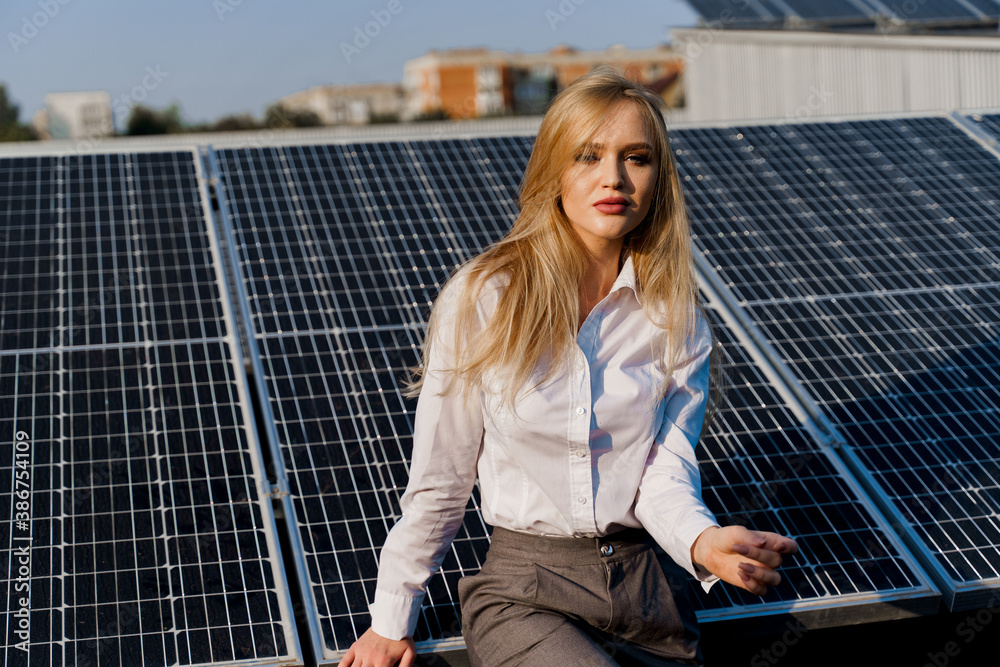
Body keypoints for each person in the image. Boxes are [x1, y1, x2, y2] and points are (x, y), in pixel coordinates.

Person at [340, 67, 798, 667]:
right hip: (525, 593)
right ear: (554, 171)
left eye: (636, 158)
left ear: (659, 178)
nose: (614, 177)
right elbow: (442, 478)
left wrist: (703, 541)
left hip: (648, 594)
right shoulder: (485, 297)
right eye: (588, 155)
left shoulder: (675, 321)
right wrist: (391, 617)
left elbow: (662, 471)